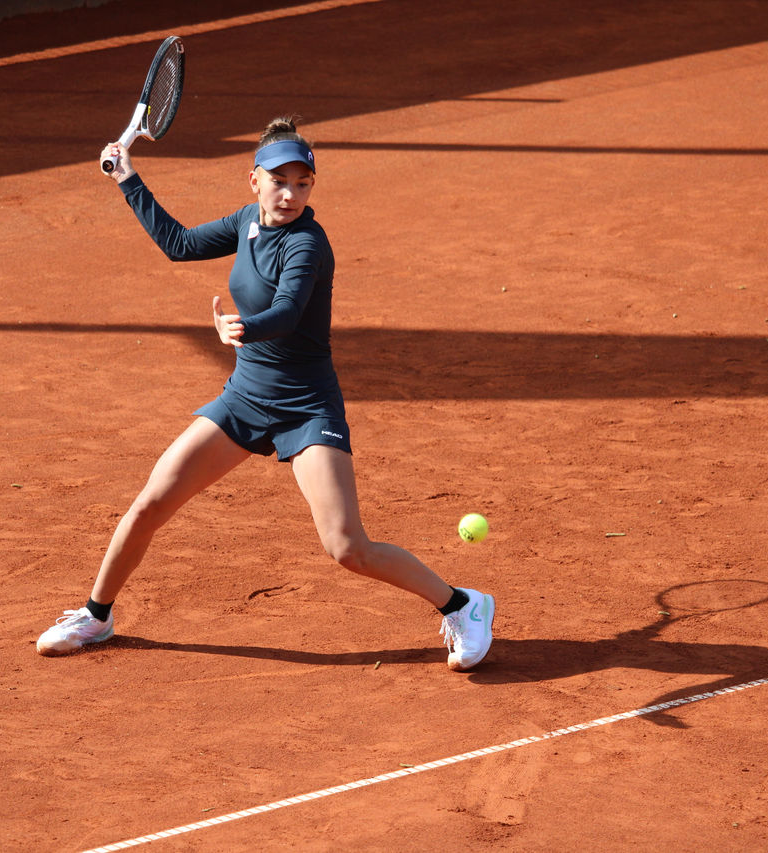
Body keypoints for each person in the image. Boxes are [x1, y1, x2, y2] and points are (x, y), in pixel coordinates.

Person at [36, 117, 494, 671]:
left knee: (346, 546)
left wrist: (241, 329)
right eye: (279, 181)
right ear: (253, 181)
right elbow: (179, 245)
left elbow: (287, 311)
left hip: (306, 405)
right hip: (245, 397)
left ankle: (463, 605)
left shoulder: (308, 243)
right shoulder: (247, 222)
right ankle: (96, 615)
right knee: (151, 502)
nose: (290, 194)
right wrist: (129, 180)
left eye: (302, 183)